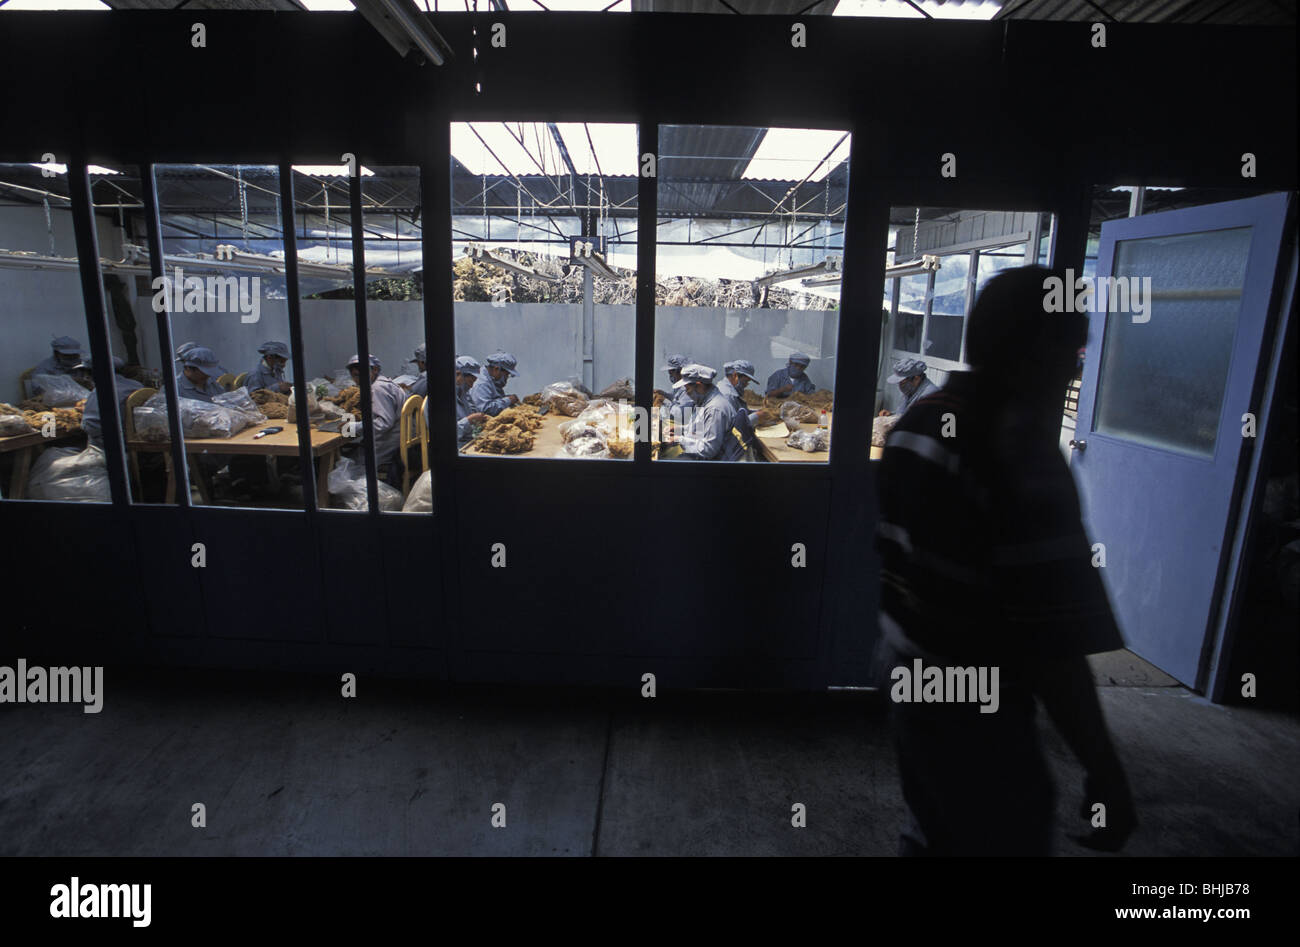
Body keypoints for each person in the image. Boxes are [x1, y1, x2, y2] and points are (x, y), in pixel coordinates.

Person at [875, 266, 1136, 856]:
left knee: (935, 823)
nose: (1075, 368)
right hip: (976, 695)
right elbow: (1052, 644)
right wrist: (1103, 768)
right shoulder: (1018, 454)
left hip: (905, 664)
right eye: (1073, 351)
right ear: (1035, 352)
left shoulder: (915, 424)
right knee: (1005, 830)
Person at [347, 353, 407, 484]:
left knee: (348, 459)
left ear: (375, 370)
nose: (358, 379)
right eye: (355, 376)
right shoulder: (385, 382)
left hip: (389, 442)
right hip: (399, 438)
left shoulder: (377, 389)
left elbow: (384, 423)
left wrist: (353, 427)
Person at [662, 364, 742, 462]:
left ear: (699, 386)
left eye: (688, 389)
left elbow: (708, 450)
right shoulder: (705, 401)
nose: (687, 393)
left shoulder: (715, 409)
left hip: (713, 462)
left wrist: (680, 440)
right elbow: (700, 427)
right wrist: (681, 429)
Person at [77, 355, 143, 449]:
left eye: (87, 373)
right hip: (137, 441)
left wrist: (83, 420)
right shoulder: (137, 385)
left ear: (94, 373)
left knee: (52, 457)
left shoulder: (100, 391)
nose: (86, 378)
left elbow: (91, 427)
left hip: (111, 449)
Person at [718, 358, 762, 459]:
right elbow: (735, 427)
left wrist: (757, 412)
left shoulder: (728, 389)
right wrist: (757, 416)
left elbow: (741, 412)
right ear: (735, 376)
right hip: (729, 448)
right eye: (745, 381)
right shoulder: (728, 395)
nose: (746, 385)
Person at [468, 352, 520, 417]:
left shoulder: (492, 379)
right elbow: (485, 410)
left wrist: (506, 398)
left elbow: (494, 398)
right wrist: (508, 400)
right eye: (506, 375)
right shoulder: (481, 384)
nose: (506, 378)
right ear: (496, 369)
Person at [453, 356, 487, 445]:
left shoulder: (462, 393)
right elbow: (446, 434)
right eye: (470, 382)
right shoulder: (440, 398)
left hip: (466, 440)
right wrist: (469, 420)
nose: (471, 386)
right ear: (458, 374)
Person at [656, 353, 695, 425]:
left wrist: (664, 401)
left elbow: (680, 413)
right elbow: (675, 397)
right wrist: (663, 393)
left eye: (671, 374)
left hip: (682, 425)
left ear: (680, 372)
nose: (670, 377)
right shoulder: (679, 386)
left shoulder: (688, 388)